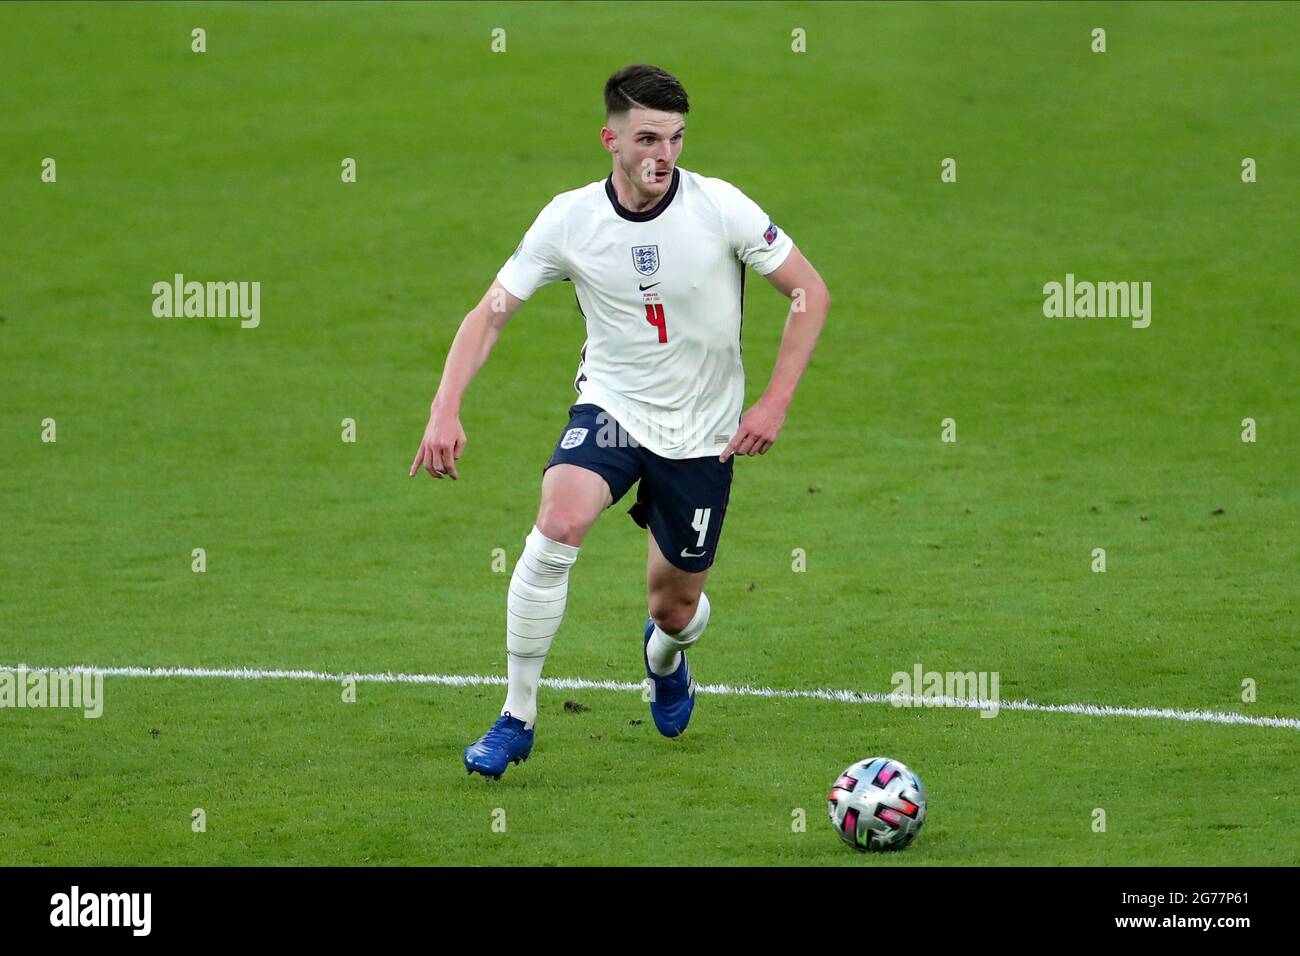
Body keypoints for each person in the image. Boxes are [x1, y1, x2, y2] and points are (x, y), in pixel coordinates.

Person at [409, 64, 831, 779]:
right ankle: (516, 716)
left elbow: (808, 293)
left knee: (675, 608)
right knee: (559, 522)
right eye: (646, 138)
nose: (662, 155)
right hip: (613, 411)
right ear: (610, 139)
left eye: (674, 139)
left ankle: (664, 660)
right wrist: (444, 406)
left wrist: (774, 400)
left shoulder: (719, 206)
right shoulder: (569, 219)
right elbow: (490, 314)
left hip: (702, 435)